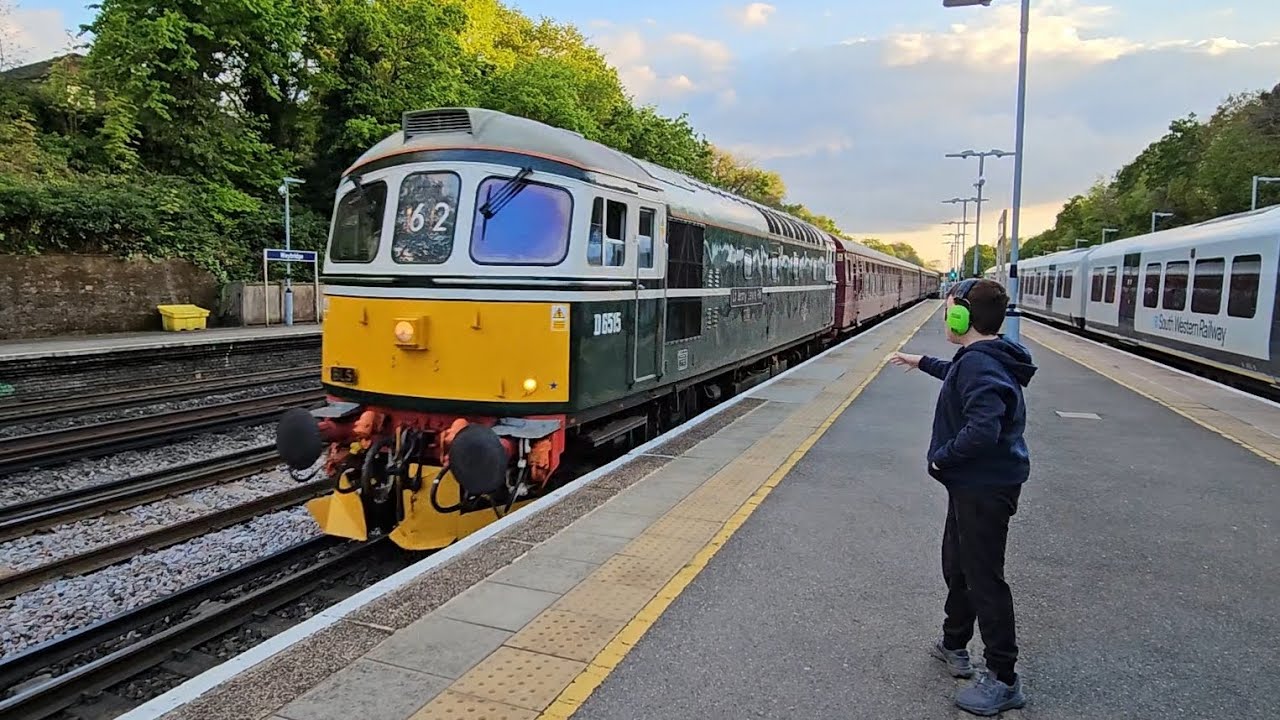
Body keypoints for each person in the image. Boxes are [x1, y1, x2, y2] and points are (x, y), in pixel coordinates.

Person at [889, 278, 1037, 717]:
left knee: (984, 579)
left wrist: (941, 459)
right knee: (959, 565)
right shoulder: (983, 355)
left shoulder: (978, 365)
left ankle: (1004, 678)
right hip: (977, 485)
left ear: (962, 316)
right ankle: (954, 642)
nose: (944, 316)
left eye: (949, 309)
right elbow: (961, 374)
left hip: (983, 487)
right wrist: (922, 362)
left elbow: (983, 429)